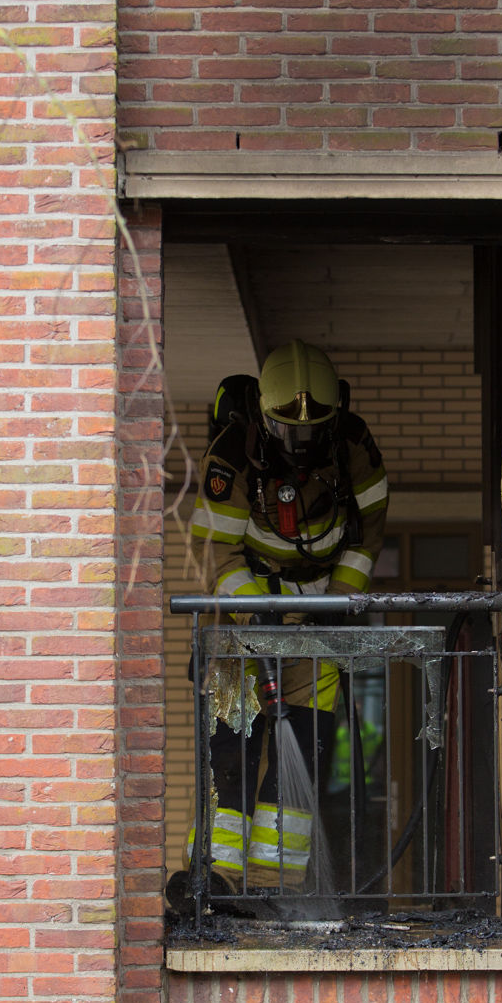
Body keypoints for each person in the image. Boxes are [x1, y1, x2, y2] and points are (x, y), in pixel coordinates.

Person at [177, 339, 387, 907]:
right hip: (240, 620)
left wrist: (336, 611)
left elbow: (367, 539)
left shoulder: (354, 449)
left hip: (315, 621)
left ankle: (275, 889)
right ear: (265, 419)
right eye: (288, 432)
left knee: (306, 755)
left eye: (314, 431)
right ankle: (214, 882)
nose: (301, 445)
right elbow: (215, 554)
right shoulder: (233, 457)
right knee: (231, 756)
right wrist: (256, 617)